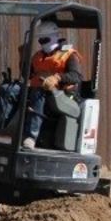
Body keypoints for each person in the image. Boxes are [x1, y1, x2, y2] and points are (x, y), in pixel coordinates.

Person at [23, 19, 84, 149]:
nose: (42, 42)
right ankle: (4, 130)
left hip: (64, 95)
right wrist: (23, 58)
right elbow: (27, 75)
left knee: (38, 93)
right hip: (41, 90)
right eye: (40, 40)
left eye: (45, 39)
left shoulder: (69, 54)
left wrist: (57, 78)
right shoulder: (38, 56)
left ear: (55, 36)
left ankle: (31, 137)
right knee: (11, 90)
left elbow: (77, 76)